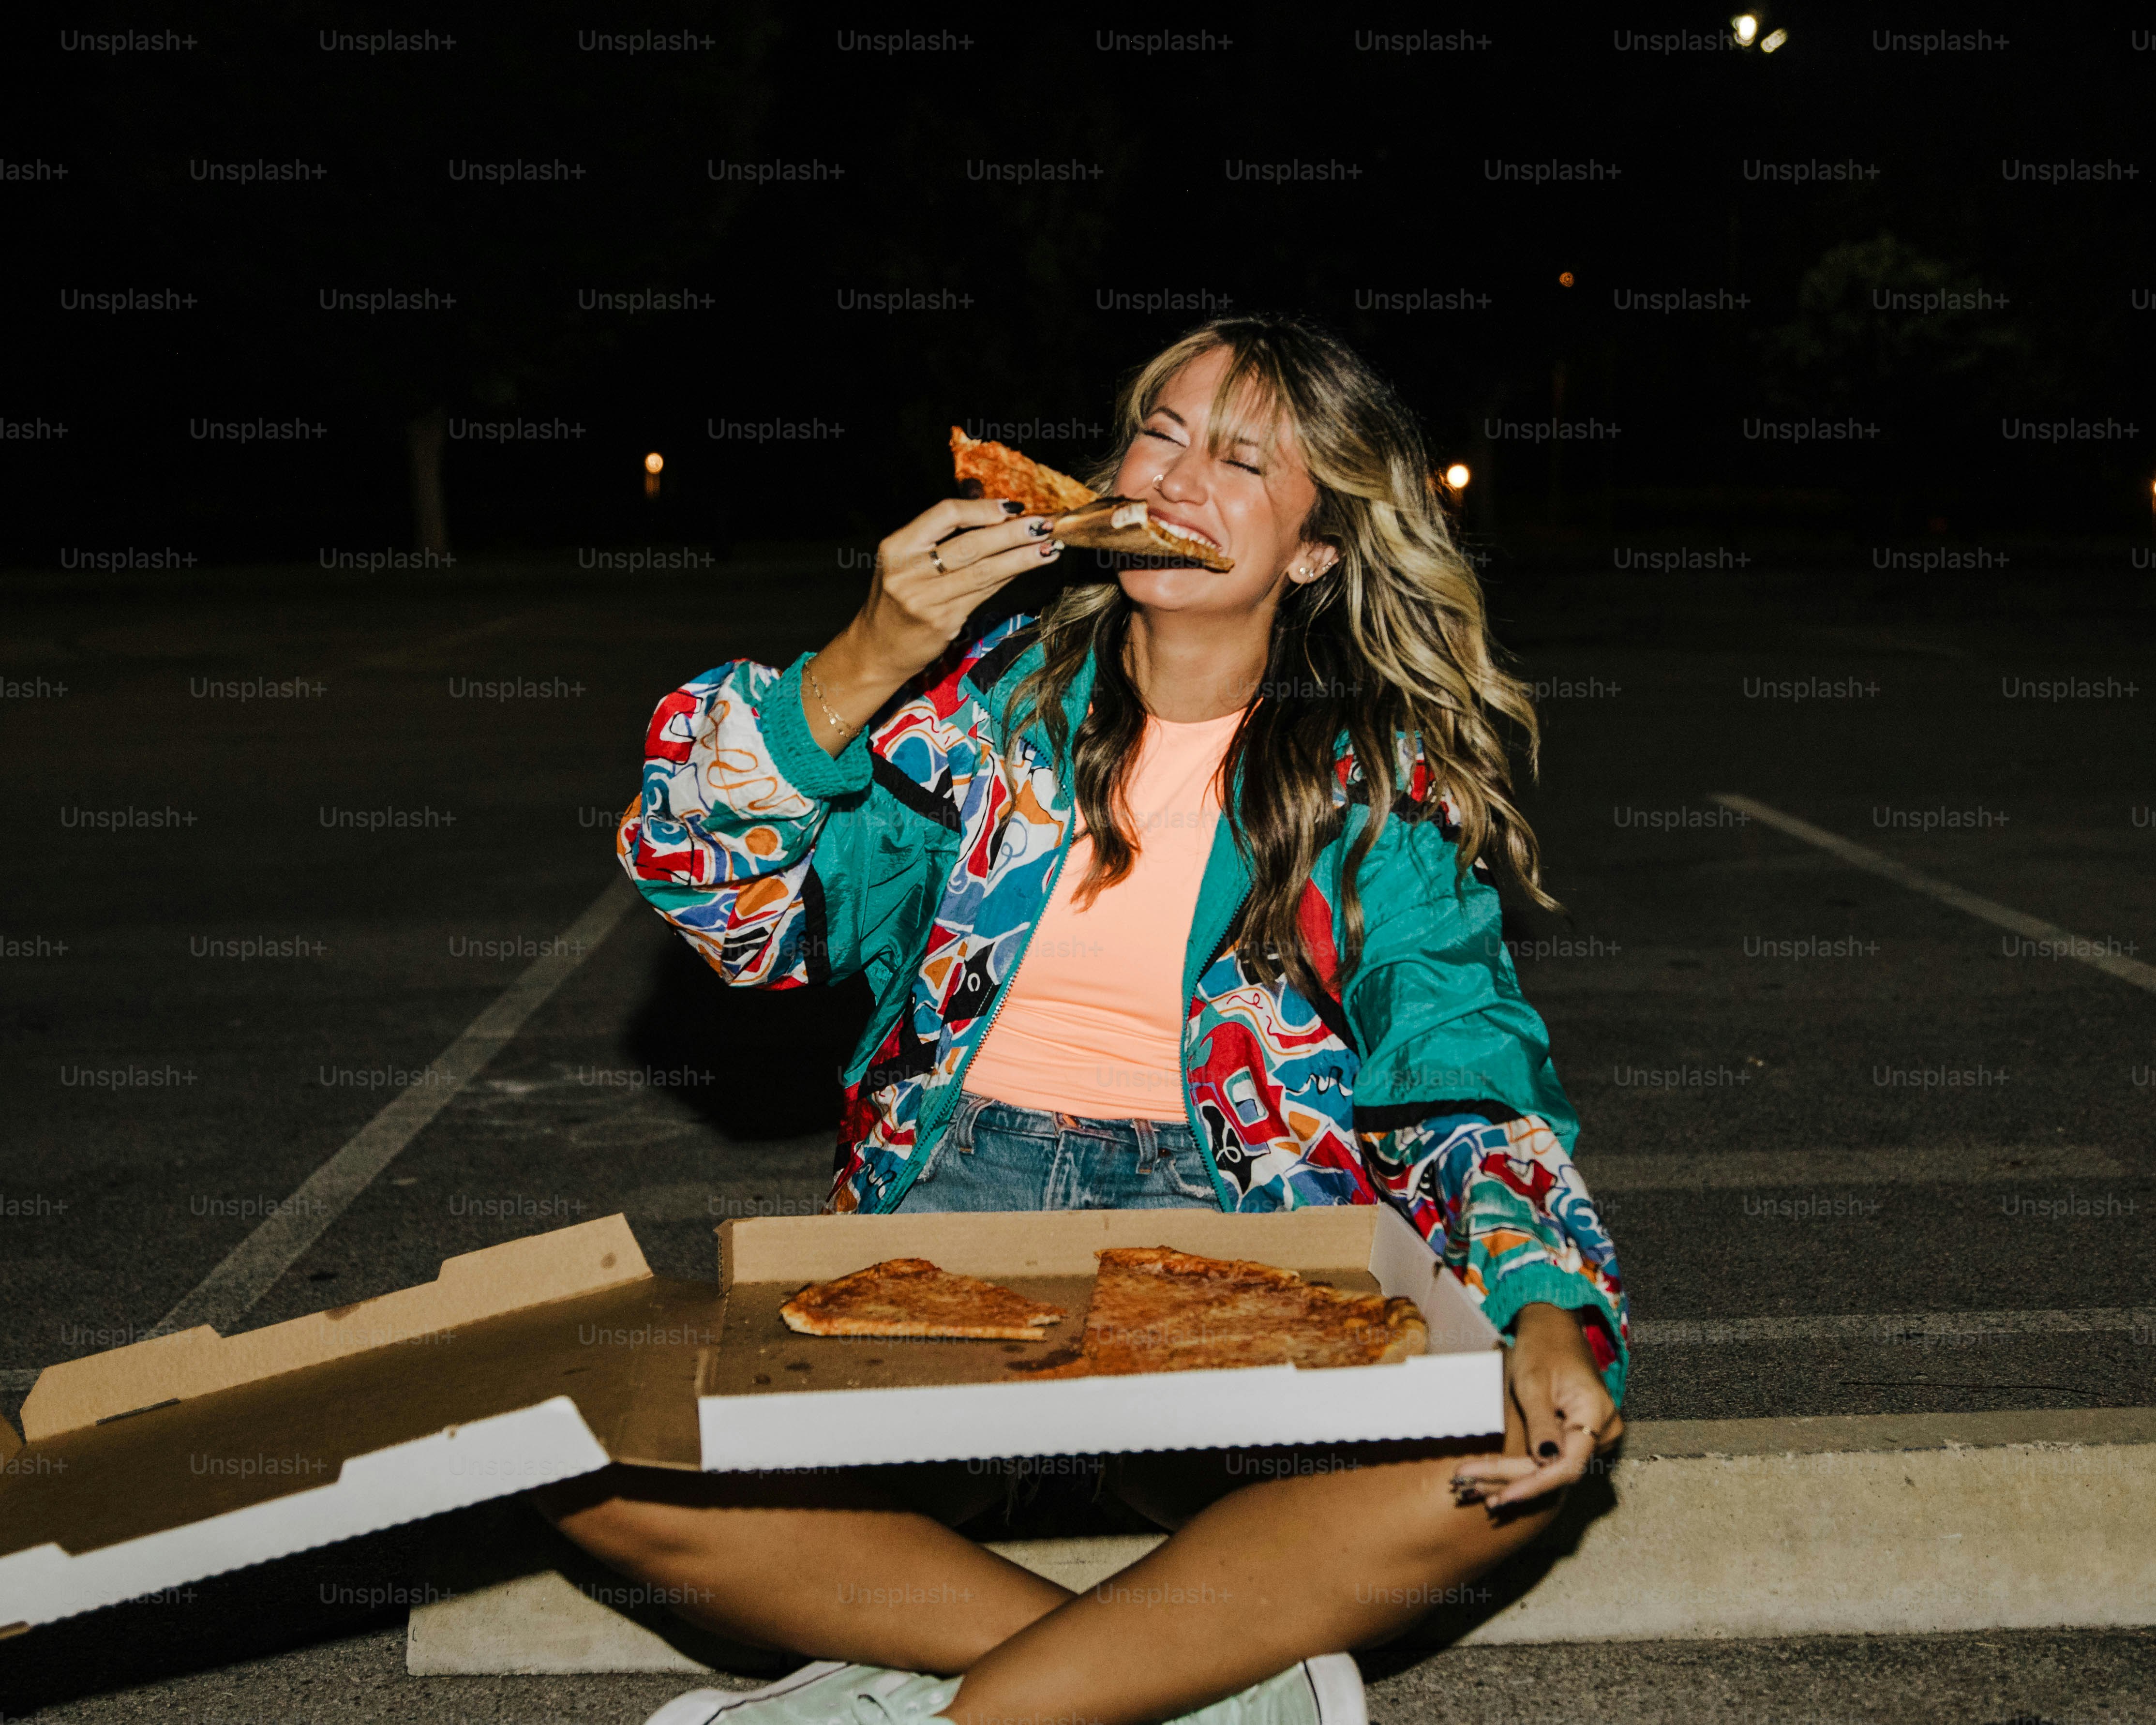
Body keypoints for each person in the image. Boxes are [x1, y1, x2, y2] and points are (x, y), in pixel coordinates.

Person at [539, 315, 1628, 1725]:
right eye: (1160, 434)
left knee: (1497, 1457)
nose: (1177, 478)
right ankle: (1175, 1688)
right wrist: (865, 656)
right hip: (941, 1240)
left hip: (1233, 1254)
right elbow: (718, 904)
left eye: (1241, 460)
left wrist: (1547, 1301)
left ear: (1316, 549)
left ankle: (982, 1714)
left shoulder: (1370, 789)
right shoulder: (973, 715)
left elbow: (1458, 1062)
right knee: (580, 1459)